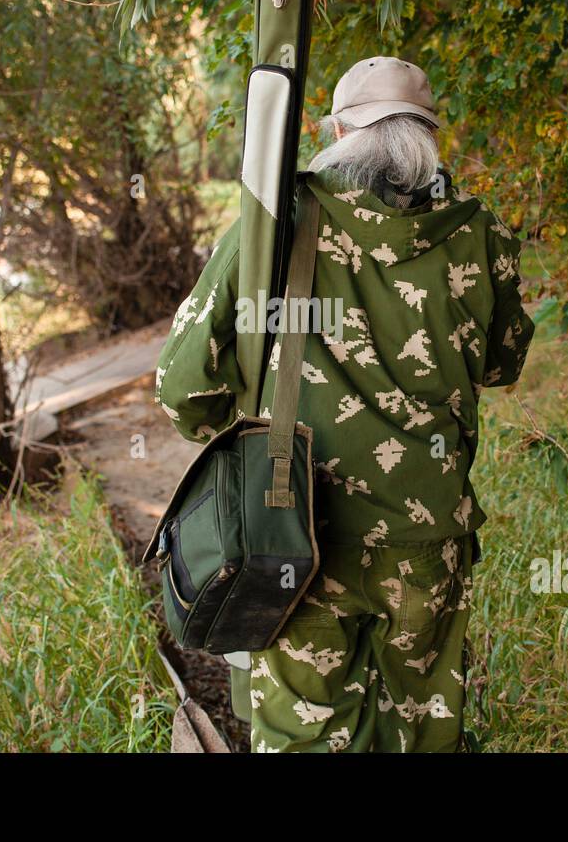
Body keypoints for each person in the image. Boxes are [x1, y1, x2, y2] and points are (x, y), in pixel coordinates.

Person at [155, 56, 534, 751]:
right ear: (428, 138)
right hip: (430, 543)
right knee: (424, 731)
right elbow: (504, 362)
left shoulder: (277, 224)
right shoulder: (479, 234)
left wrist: (238, 424)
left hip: (296, 533)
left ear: (336, 132)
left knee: (303, 734)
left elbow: (181, 385)